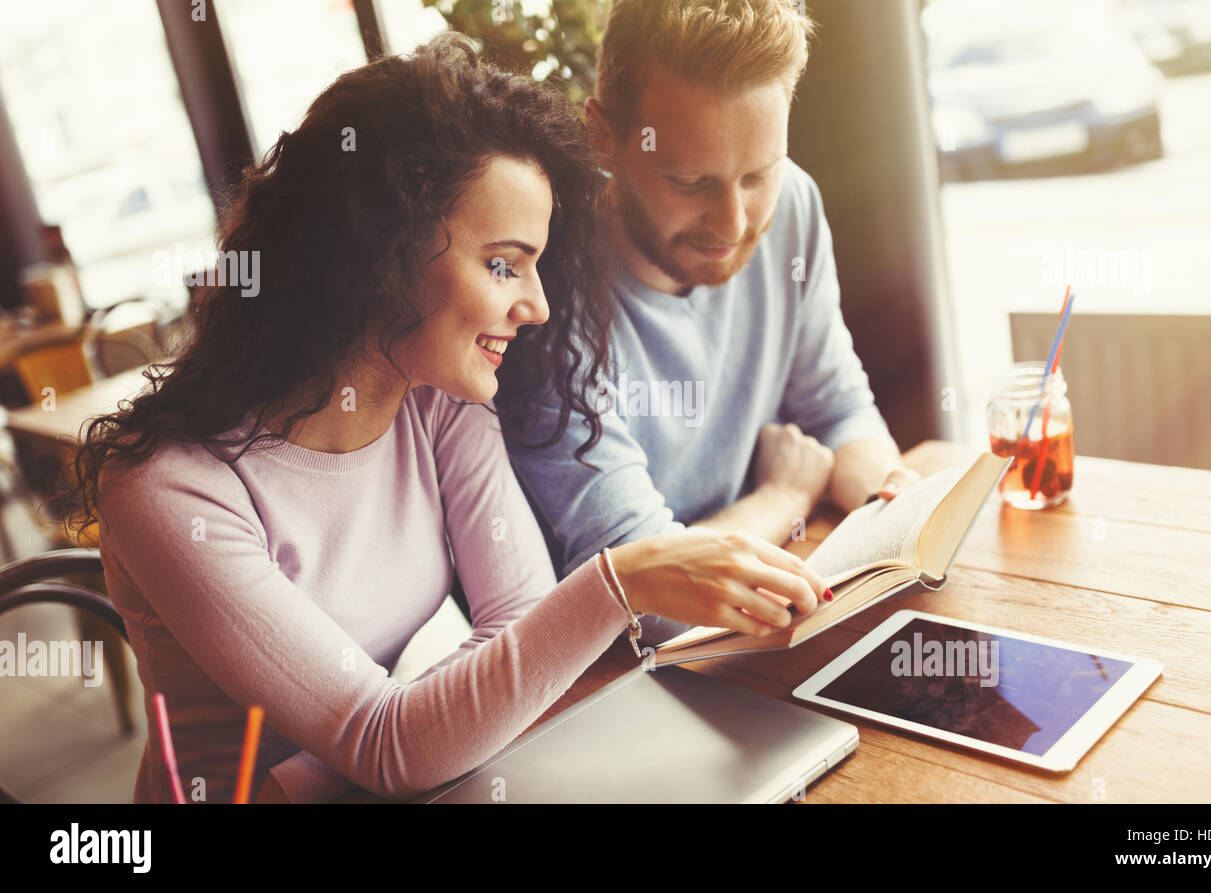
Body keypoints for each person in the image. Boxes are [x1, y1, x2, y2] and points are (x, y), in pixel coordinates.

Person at [67, 34, 827, 804]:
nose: (537, 306)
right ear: (380, 252)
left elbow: (511, 632)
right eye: (503, 264)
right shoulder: (169, 489)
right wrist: (618, 582)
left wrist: (382, 742)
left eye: (536, 263)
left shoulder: (434, 403)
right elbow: (387, 739)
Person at [506, 0, 921, 644]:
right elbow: (643, 602)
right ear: (603, 136)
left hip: (745, 624)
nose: (732, 225)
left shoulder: (796, 206)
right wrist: (783, 498)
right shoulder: (544, 291)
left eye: (758, 175)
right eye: (689, 180)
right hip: (613, 681)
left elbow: (837, 409)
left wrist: (889, 500)